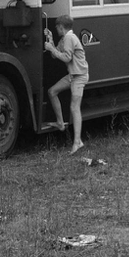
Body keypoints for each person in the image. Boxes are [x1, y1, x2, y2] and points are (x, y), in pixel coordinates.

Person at [44, 15, 88, 154]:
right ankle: (60, 123)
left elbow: (66, 57)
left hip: (79, 76)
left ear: (61, 27)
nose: (56, 29)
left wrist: (51, 49)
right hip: (72, 75)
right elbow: (54, 54)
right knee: (52, 92)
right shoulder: (65, 38)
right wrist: (51, 41)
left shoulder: (70, 38)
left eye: (57, 27)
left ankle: (77, 142)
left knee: (74, 107)